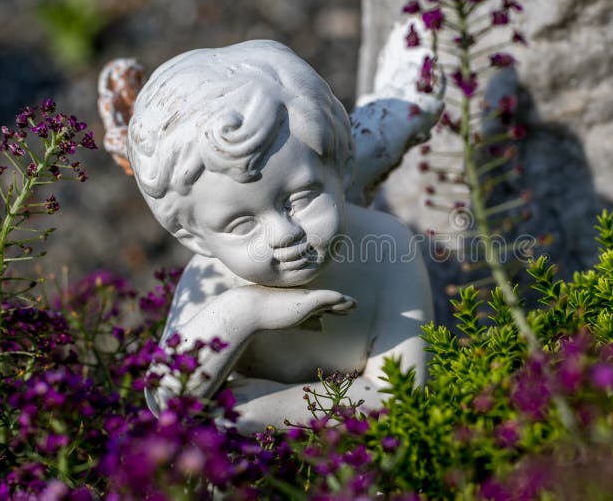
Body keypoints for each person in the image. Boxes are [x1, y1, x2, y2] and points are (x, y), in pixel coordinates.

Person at [127, 40, 432, 433]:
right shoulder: (212, 279)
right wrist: (246, 311)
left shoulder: (387, 249)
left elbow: (399, 397)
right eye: (241, 225)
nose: (284, 233)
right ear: (196, 237)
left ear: (341, 168)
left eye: (301, 198)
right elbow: (167, 398)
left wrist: (248, 411)